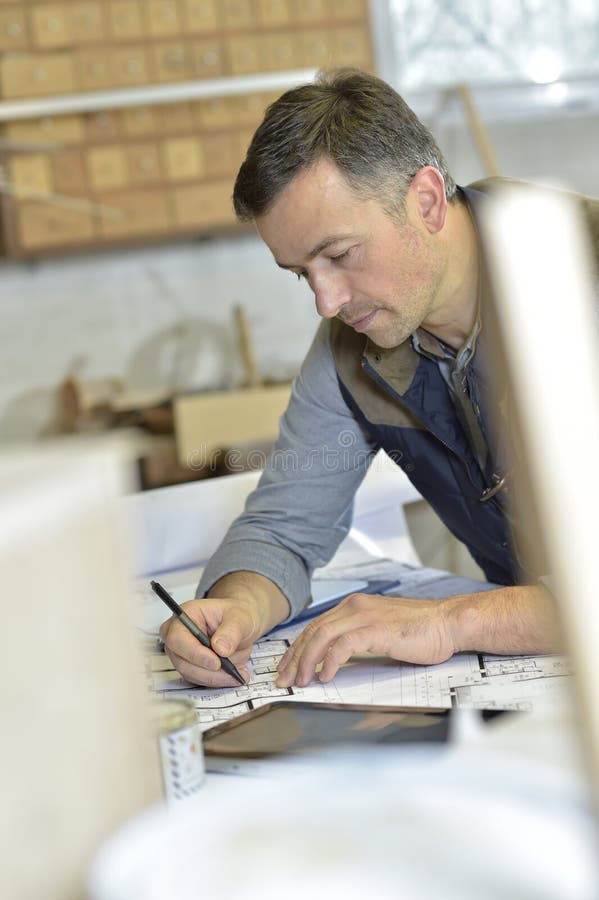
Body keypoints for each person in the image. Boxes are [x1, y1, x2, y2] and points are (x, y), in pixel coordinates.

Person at [161, 68, 598, 689]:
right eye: (300, 272)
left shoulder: (581, 275)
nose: (326, 301)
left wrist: (451, 622)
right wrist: (240, 604)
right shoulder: (353, 345)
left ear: (425, 200)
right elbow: (284, 526)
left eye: (339, 255)